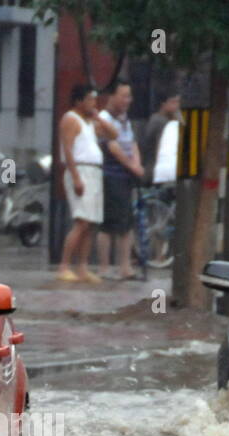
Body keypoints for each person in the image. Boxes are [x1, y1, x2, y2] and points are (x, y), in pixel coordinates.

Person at [56, 84, 118, 283]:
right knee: (81, 221)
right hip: (80, 170)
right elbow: (67, 150)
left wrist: (98, 116)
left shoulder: (90, 122)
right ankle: (64, 265)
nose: (93, 103)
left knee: (91, 223)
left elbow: (113, 134)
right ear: (79, 101)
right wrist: (75, 177)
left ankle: (82, 266)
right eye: (90, 99)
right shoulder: (70, 119)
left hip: (94, 171)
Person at [95, 80, 144, 281]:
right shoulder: (104, 119)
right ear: (111, 96)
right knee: (108, 223)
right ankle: (104, 268)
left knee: (126, 221)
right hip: (111, 174)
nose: (127, 100)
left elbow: (131, 143)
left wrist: (137, 164)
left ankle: (125, 267)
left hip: (126, 176)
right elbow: (112, 147)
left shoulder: (124, 119)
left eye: (129, 96)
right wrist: (131, 166)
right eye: (123, 95)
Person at [141, 91, 181, 186]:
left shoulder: (167, 120)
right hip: (157, 171)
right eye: (173, 102)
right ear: (163, 104)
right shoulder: (160, 122)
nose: (177, 106)